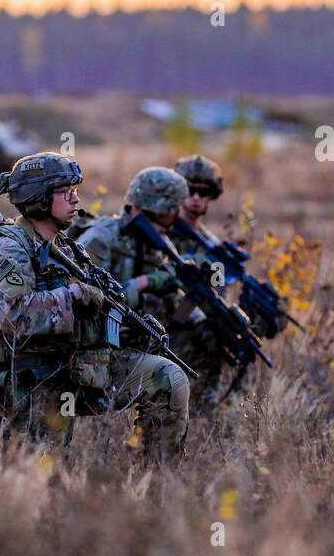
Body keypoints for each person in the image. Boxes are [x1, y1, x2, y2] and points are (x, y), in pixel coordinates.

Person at [0, 153, 190, 455]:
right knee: (40, 472)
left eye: (75, 191)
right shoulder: (9, 250)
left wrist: (133, 331)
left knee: (167, 378)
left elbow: (98, 308)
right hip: (28, 377)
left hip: (72, 364)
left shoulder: (68, 249)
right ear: (38, 198)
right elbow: (15, 317)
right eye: (66, 193)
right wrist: (74, 297)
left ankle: (157, 484)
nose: (76, 200)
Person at [77, 167, 228, 409]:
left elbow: (174, 310)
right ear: (161, 209)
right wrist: (146, 283)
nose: (178, 215)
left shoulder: (160, 245)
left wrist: (195, 308)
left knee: (207, 334)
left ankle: (202, 412)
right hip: (96, 347)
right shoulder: (101, 239)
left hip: (141, 339)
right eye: (173, 210)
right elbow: (86, 301)